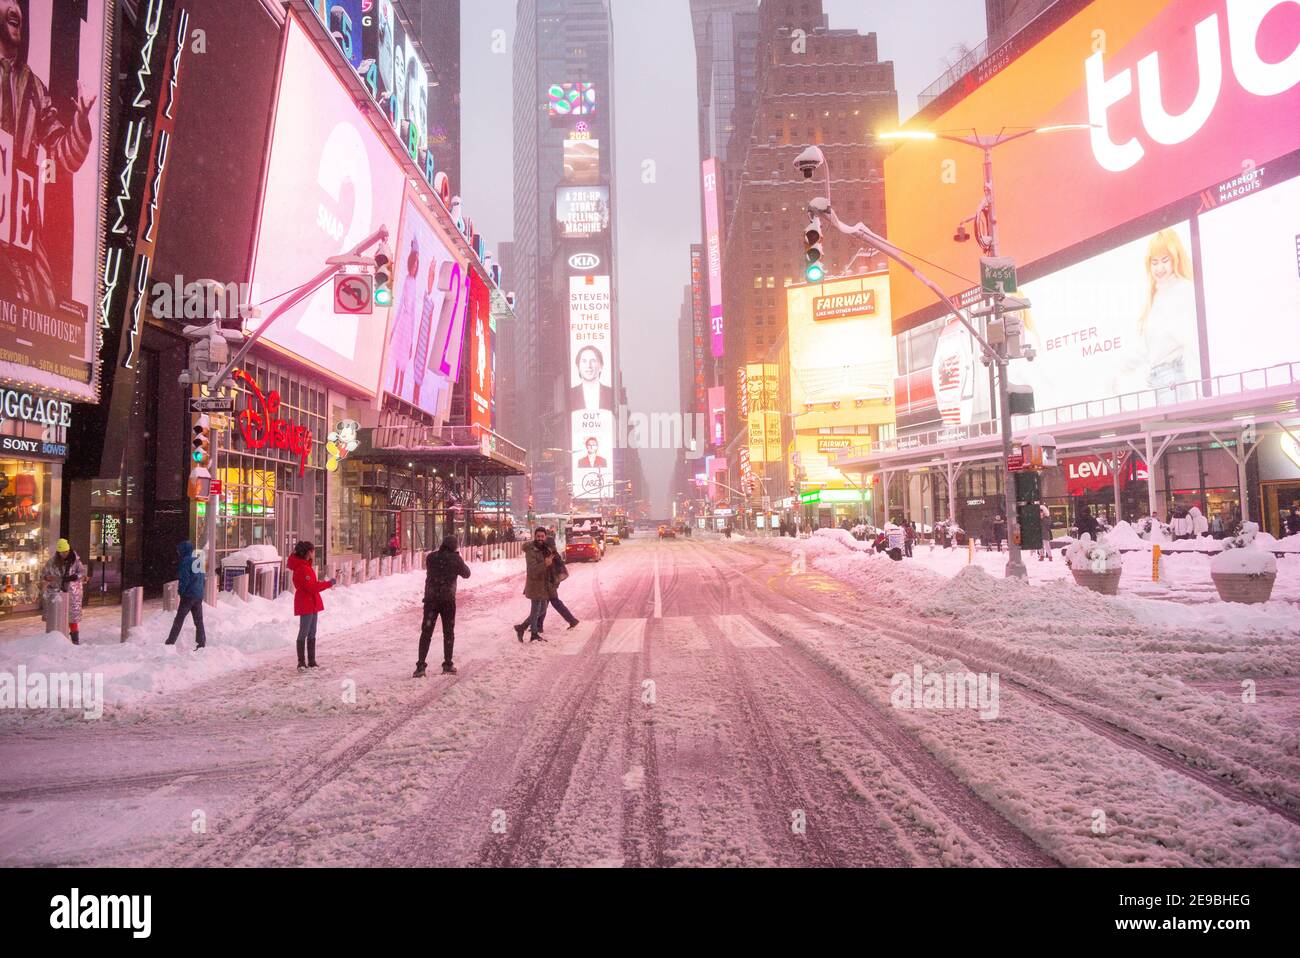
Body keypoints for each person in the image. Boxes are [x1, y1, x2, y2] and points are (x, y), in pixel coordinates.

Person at [414, 535, 471, 677]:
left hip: (431, 599)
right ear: (454, 546)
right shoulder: (455, 559)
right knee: (448, 632)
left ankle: (420, 666)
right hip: (447, 600)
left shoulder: (431, 557)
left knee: (426, 632)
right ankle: (447, 664)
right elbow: (467, 574)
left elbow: (436, 568)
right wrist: (457, 557)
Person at [286, 541, 334, 671]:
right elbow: (312, 587)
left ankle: (311, 661)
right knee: (304, 632)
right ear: (308, 552)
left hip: (311, 602)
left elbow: (313, 585)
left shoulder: (305, 566)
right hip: (306, 602)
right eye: (312, 551)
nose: (314, 553)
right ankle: (301, 662)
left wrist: (324, 584)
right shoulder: (302, 568)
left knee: (312, 632)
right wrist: (328, 584)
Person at [515, 528, 556, 642]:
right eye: (538, 536)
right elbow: (532, 569)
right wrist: (545, 563)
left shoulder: (545, 549)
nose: (540, 539)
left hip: (543, 584)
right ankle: (534, 634)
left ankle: (521, 627)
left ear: (545, 537)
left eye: (542, 536)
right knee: (535, 610)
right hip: (535, 583)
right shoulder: (531, 550)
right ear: (534, 536)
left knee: (542, 610)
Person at [41, 539, 86, 644]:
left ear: (69, 550)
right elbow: (43, 574)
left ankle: (75, 640)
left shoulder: (75, 561)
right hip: (56, 592)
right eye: (61, 552)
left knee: (72, 618)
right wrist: (47, 578)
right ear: (58, 552)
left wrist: (75, 576)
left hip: (72, 593)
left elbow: (82, 573)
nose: (64, 554)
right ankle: (55, 640)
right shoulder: (52, 562)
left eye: (66, 552)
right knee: (55, 617)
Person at [165, 540, 207, 649]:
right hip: (198, 595)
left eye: (179, 550)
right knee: (199, 621)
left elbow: (184, 579)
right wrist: (201, 591)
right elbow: (203, 578)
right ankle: (201, 643)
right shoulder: (198, 561)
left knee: (179, 619)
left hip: (188, 595)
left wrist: (181, 591)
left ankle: (170, 642)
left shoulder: (185, 562)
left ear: (183, 550)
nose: (178, 552)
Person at [568, 344, 615, 411]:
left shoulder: (611, 394)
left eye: (593, 361)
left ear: (601, 366)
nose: (589, 366)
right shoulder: (569, 395)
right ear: (578, 366)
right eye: (584, 361)